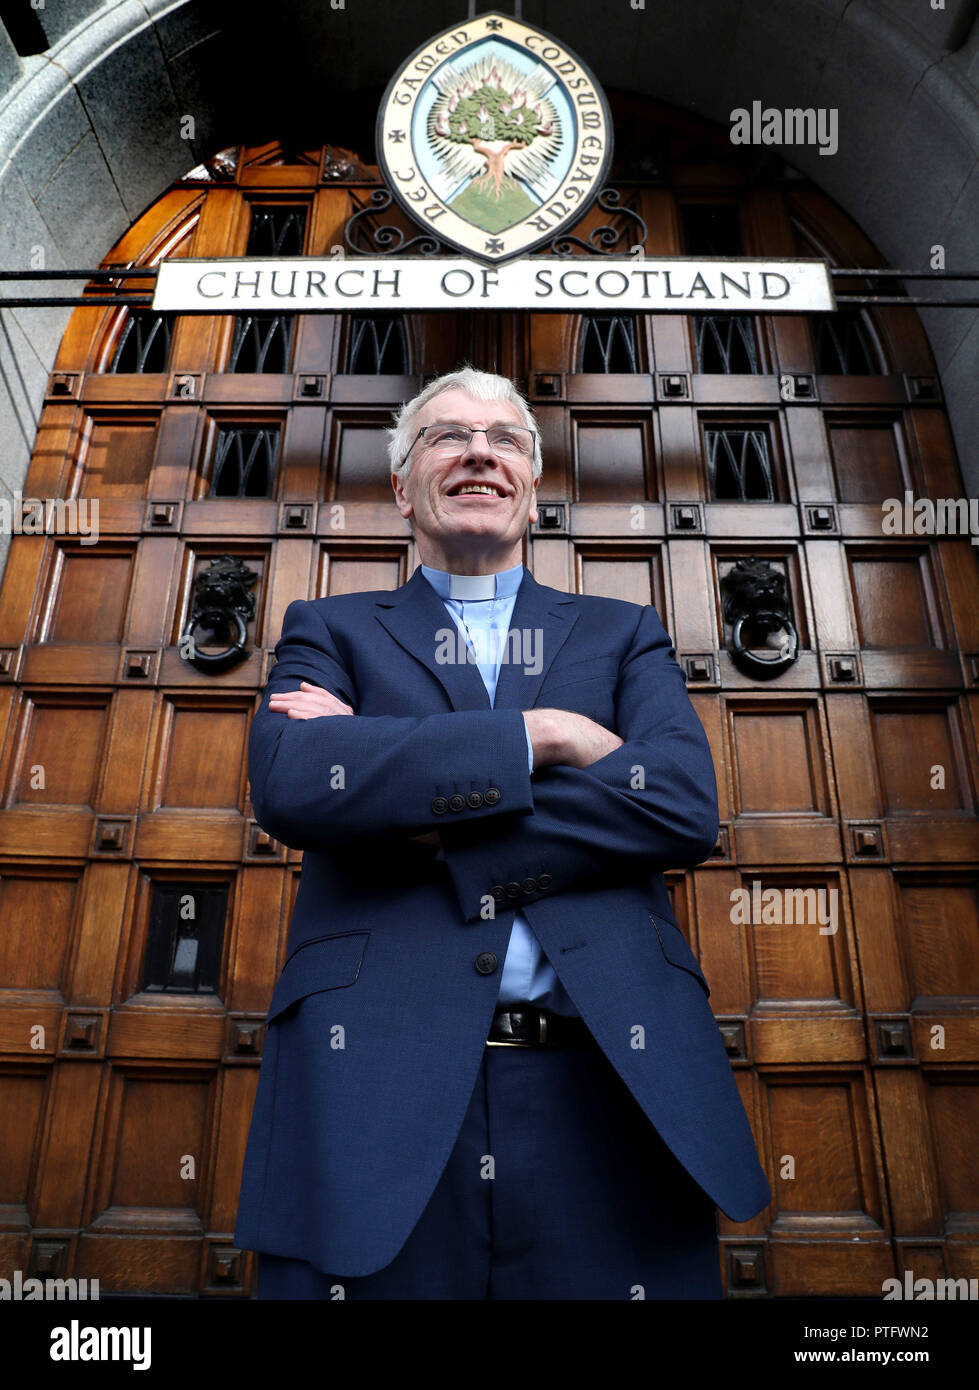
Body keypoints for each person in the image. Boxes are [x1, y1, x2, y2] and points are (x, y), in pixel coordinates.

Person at [234, 366, 771, 1299]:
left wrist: (417, 805)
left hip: (608, 1080)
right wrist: (549, 737)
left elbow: (680, 803)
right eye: (446, 436)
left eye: (504, 439)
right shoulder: (329, 629)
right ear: (402, 487)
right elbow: (296, 783)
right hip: (378, 1077)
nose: (479, 451)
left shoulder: (622, 632)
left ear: (531, 485)